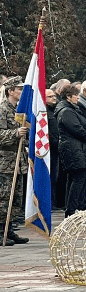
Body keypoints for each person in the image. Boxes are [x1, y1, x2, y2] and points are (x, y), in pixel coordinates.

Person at [55, 84, 86, 217]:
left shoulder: (72, 109)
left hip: (76, 148)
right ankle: (72, 209)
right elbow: (76, 128)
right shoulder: (66, 111)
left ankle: (72, 208)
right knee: (78, 178)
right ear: (68, 97)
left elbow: (84, 125)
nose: (78, 98)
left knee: (74, 178)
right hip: (73, 149)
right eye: (76, 96)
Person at [0, 77, 30, 244]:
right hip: (4, 161)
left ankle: (8, 228)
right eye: (19, 89)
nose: (21, 92)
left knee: (16, 198)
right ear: (10, 91)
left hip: (18, 162)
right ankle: (0, 230)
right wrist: (15, 134)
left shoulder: (18, 111)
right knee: (3, 198)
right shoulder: (2, 109)